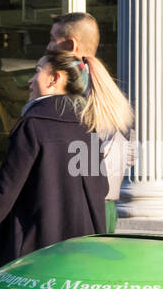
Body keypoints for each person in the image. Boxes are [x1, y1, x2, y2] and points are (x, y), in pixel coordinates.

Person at [0, 53, 108, 279]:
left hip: (34, 258)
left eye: (37, 70)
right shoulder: (89, 126)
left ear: (55, 79)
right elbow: (101, 188)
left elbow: (4, 194)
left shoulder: (33, 125)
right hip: (84, 254)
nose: (31, 81)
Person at [48, 12, 136, 231]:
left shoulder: (68, 95)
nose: (48, 46)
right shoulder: (110, 93)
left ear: (70, 44)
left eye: (52, 39)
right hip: (106, 207)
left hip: (75, 208)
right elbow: (131, 154)